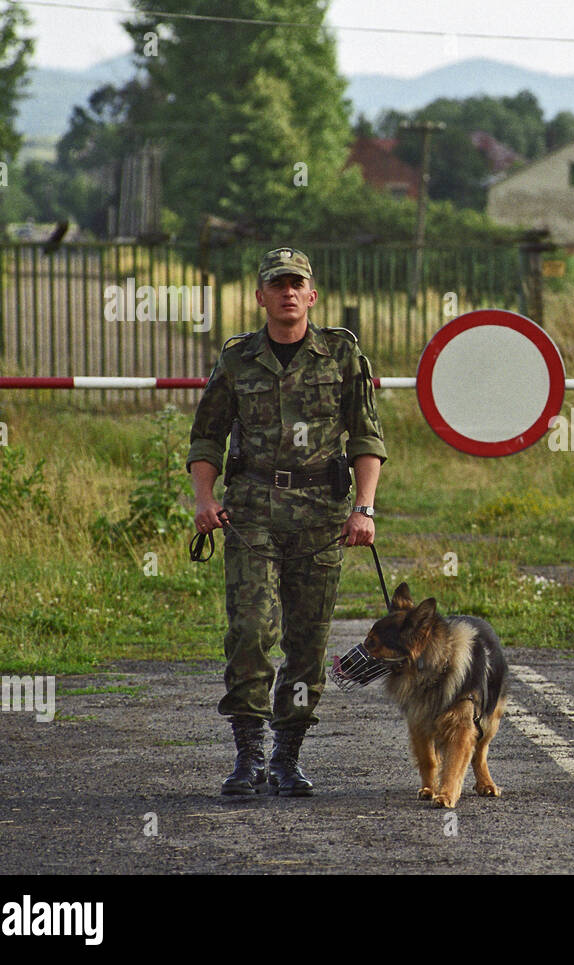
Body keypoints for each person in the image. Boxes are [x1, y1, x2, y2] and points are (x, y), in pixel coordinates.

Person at [186, 247, 387, 796]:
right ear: (261, 296)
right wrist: (204, 499)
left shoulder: (341, 355)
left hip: (320, 518)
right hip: (250, 513)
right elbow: (206, 436)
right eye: (277, 284)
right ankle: (247, 757)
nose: (288, 292)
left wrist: (363, 508)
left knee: (307, 643)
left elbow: (367, 438)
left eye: (297, 283)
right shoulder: (236, 360)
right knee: (250, 632)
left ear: (312, 294)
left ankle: (287, 757)